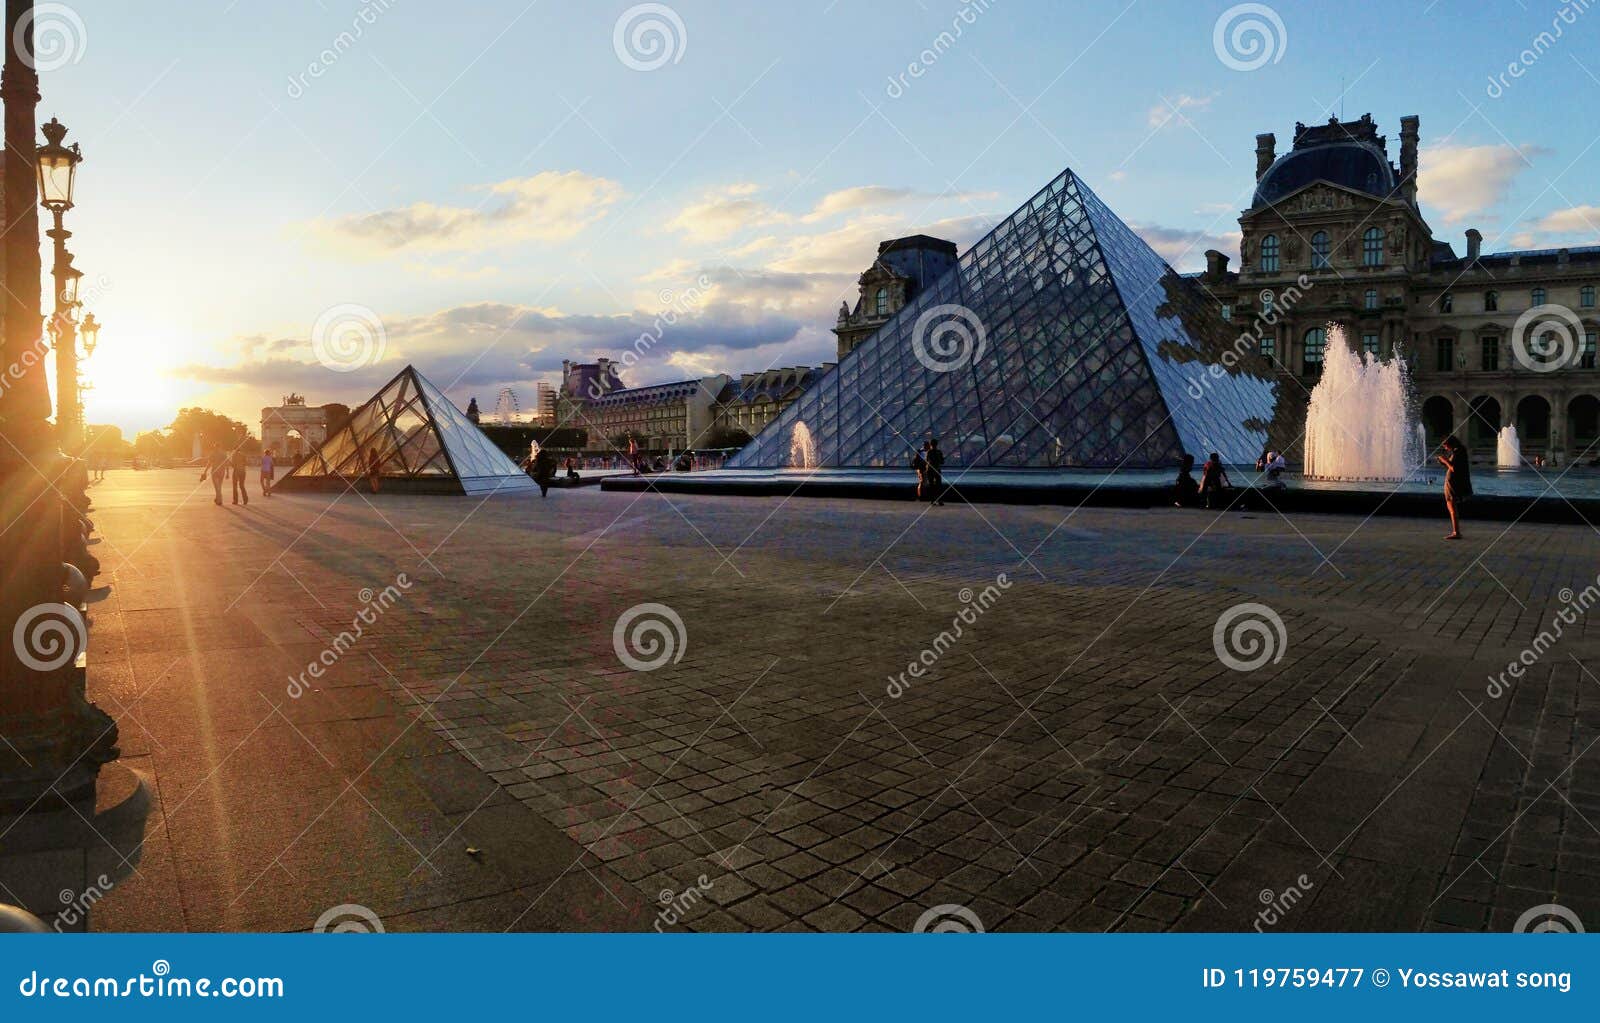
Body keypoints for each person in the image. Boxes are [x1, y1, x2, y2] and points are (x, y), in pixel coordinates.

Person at [1439, 434, 1472, 540]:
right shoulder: (1458, 451)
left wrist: (1444, 460)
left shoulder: (1458, 452)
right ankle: (1455, 531)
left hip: (1454, 483)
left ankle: (1456, 532)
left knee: (1452, 507)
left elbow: (1454, 468)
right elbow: (1453, 466)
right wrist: (1444, 462)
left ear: (1450, 444)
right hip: (1452, 482)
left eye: (1445, 445)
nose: (1445, 448)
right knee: (1451, 507)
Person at [926, 438, 946, 506]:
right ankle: (940, 500)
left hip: (930, 469)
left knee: (931, 485)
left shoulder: (929, 452)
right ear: (936, 444)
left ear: (931, 444)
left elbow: (927, 460)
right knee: (939, 485)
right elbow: (942, 461)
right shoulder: (939, 452)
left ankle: (932, 500)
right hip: (937, 469)